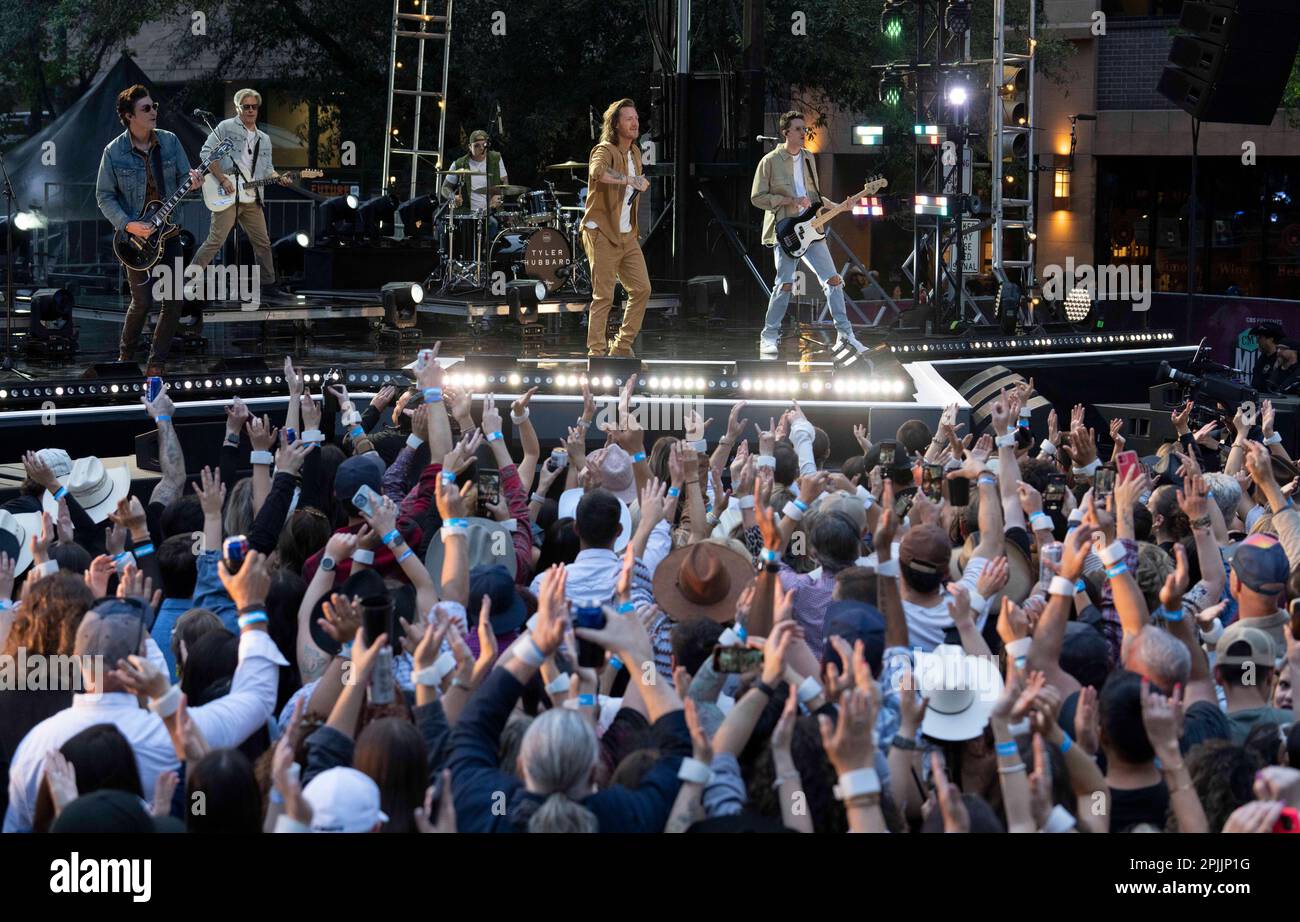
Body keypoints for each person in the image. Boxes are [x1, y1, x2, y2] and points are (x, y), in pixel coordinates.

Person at [95, 83, 203, 373]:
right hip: (136, 238)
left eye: (155, 106)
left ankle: (157, 363)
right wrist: (128, 224)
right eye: (146, 108)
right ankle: (126, 359)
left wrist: (194, 183)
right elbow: (104, 195)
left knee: (174, 300)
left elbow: (185, 177)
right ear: (129, 115)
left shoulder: (169, 142)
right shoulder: (114, 152)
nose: (154, 111)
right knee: (141, 302)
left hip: (168, 233)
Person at [750, 111, 863, 358]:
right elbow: (757, 198)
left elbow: (814, 197)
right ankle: (769, 336)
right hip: (786, 230)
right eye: (799, 129)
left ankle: (846, 335)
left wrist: (837, 206)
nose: (804, 133)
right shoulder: (770, 161)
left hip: (812, 229)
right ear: (786, 132)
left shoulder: (809, 158)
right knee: (785, 285)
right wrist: (787, 200)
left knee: (833, 280)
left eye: (804, 128)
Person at [189, 88, 287, 297]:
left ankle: (268, 285)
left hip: (252, 196)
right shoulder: (225, 127)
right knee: (215, 240)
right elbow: (206, 152)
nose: (251, 110)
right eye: (246, 107)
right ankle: (187, 280)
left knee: (262, 242)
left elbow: (267, 169)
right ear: (238, 108)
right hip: (228, 192)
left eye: (254, 107)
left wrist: (280, 177)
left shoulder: (264, 139)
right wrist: (222, 179)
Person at [582, 98, 651, 358]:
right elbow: (598, 172)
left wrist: (637, 181)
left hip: (626, 234)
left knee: (642, 289)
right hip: (601, 232)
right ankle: (596, 355)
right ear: (616, 124)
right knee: (604, 297)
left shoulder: (635, 152)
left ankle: (621, 348)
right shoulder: (604, 149)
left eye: (636, 118)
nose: (635, 122)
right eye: (628, 119)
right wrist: (630, 179)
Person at [439, 129, 510, 244]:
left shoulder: (496, 158)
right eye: (477, 145)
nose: (482, 148)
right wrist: (453, 197)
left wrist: (499, 196)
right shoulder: (459, 164)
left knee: (493, 223)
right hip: (467, 213)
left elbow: (505, 182)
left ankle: (485, 255)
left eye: (484, 145)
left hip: (490, 212)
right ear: (469, 146)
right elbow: (445, 188)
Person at [1250, 322, 1285, 393]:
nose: (1257, 341)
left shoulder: (1281, 359)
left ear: (1271, 339)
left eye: (1260, 337)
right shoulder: (1263, 357)